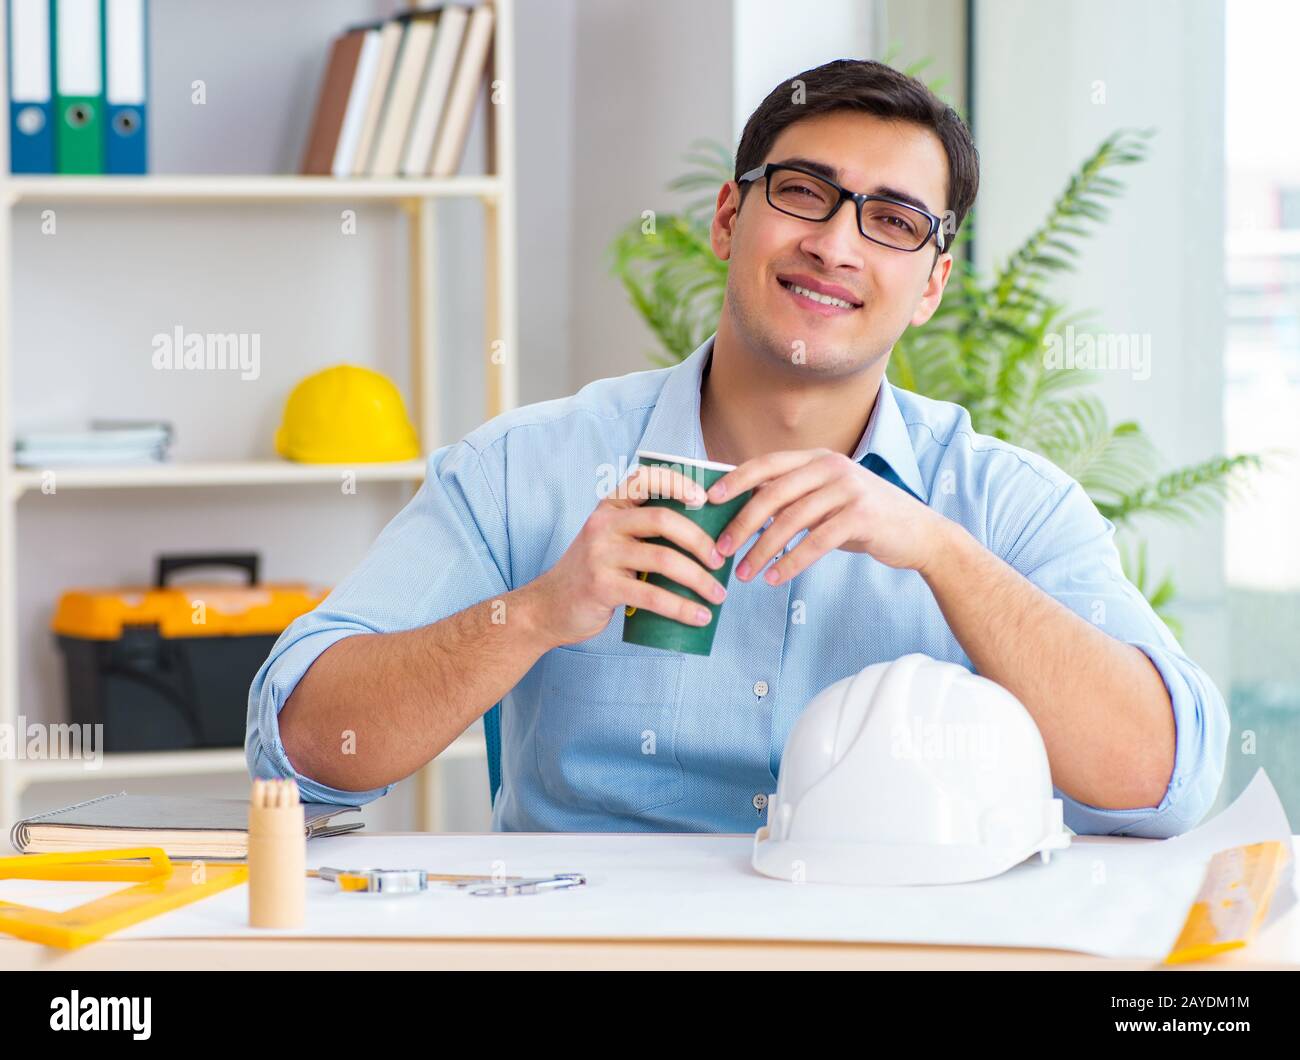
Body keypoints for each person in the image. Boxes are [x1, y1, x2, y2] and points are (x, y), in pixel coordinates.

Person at [247, 59, 1227, 837]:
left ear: (929, 285)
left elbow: (1160, 782)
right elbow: (301, 744)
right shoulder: (525, 466)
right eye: (804, 193)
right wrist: (542, 609)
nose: (836, 246)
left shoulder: (1005, 504)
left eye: (891, 220)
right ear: (729, 218)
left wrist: (939, 552)